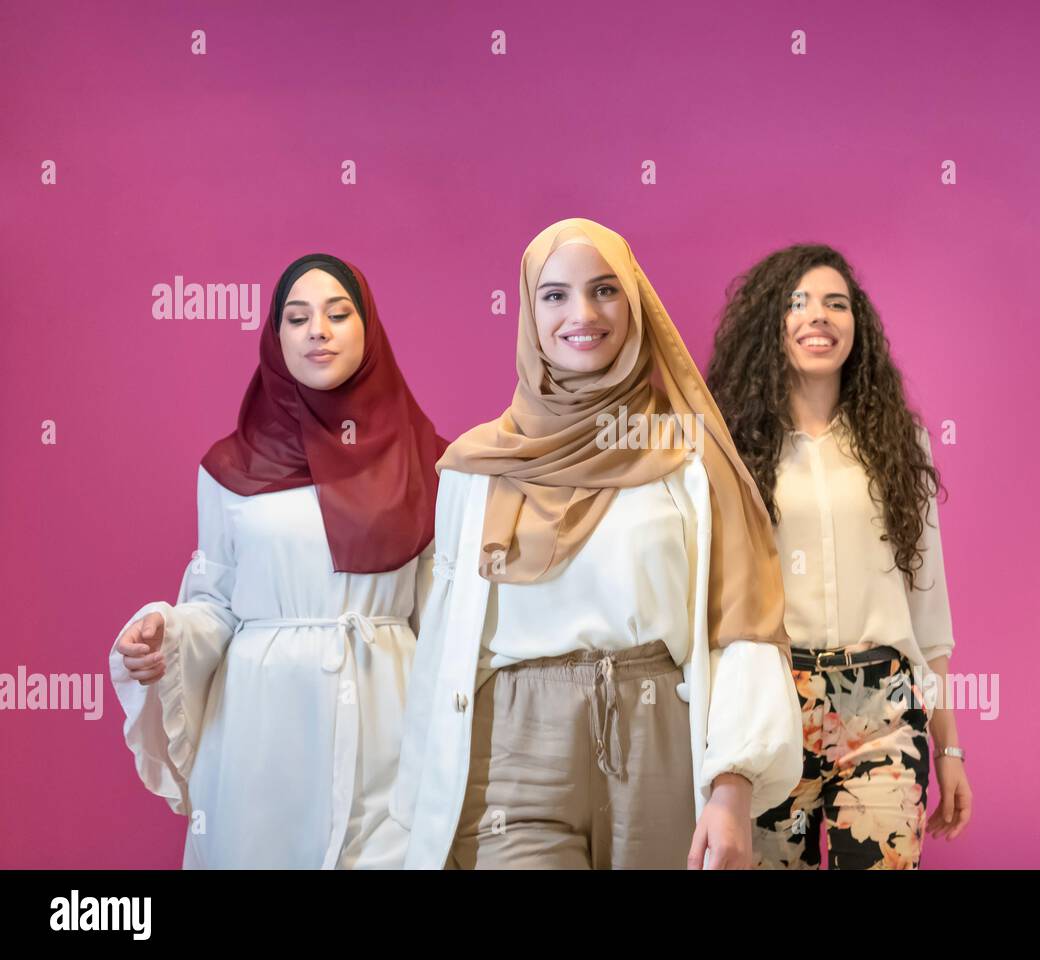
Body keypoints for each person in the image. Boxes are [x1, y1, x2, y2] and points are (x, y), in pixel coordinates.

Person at [390, 217, 802, 869]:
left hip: (656, 732)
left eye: (605, 290)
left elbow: (742, 628)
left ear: (634, 303)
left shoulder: (691, 459)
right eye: (555, 294)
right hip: (512, 746)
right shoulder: (475, 468)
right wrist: (418, 803)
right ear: (530, 311)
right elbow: (443, 640)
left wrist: (732, 787)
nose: (582, 314)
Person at [109, 253, 447, 868]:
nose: (318, 330)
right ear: (276, 337)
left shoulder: (429, 464)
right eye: (297, 318)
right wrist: (168, 630)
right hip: (262, 731)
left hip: (390, 720)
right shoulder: (229, 469)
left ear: (368, 330)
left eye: (338, 314)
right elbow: (217, 605)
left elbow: (441, 617)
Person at [706, 244, 972, 869]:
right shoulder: (732, 449)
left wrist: (950, 750)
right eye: (797, 303)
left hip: (883, 708)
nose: (818, 316)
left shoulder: (899, 443)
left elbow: (928, 609)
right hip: (771, 704)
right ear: (770, 322)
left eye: (836, 303)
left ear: (858, 325)